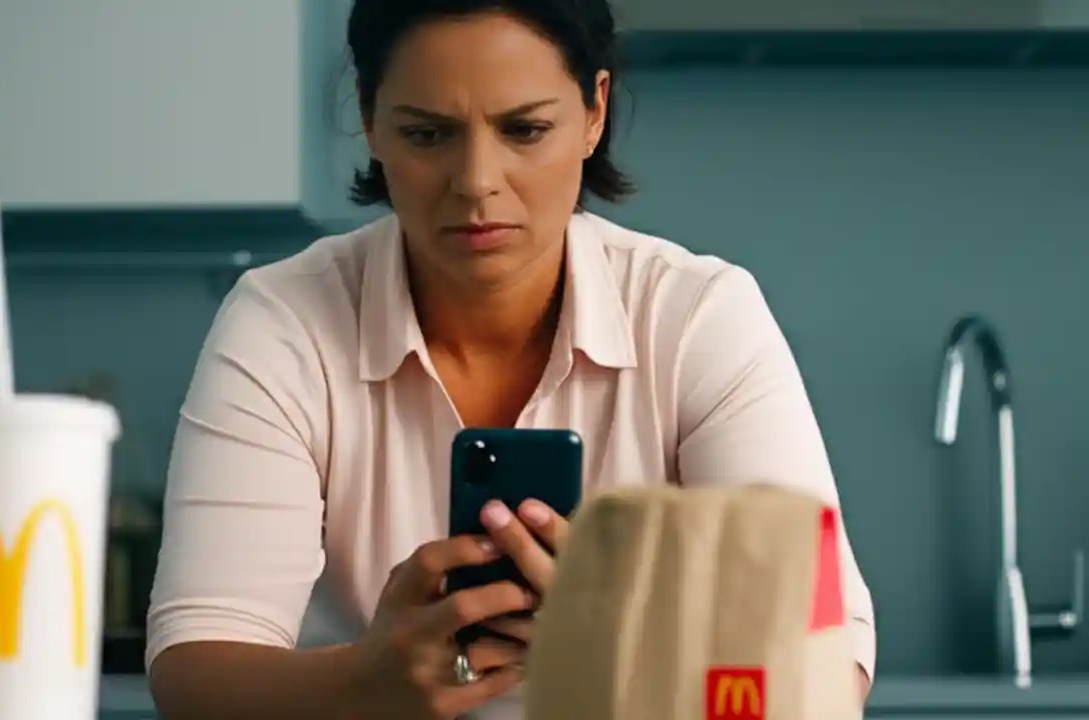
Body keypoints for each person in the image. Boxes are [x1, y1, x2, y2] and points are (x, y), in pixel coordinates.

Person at [145, 1, 876, 718]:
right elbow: (196, 669)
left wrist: (625, 647)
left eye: (524, 129)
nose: (476, 181)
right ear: (370, 118)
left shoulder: (698, 317)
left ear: (594, 111)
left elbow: (825, 658)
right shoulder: (285, 322)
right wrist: (367, 683)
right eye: (427, 133)